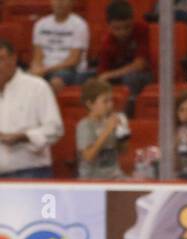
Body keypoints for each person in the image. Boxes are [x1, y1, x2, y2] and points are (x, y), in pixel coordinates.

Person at [0, 39, 64, 179]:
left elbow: (55, 128)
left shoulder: (37, 87)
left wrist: (24, 136)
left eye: (1, 60)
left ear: (13, 59)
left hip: (30, 172)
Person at [94, 1, 153, 100]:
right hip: (117, 76)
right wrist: (104, 77)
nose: (123, 32)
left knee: (131, 78)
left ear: (132, 21)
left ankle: (131, 105)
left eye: (127, 27)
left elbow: (139, 65)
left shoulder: (142, 30)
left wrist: (110, 75)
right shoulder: (107, 42)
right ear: (109, 27)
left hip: (143, 75)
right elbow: (102, 74)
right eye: (117, 28)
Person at [31, 0, 92, 91]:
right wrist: (36, 69)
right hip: (44, 69)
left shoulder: (79, 25)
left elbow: (73, 60)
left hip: (69, 70)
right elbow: (37, 57)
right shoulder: (40, 24)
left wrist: (46, 69)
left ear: (72, 3)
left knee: (56, 82)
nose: (59, 3)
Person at [75, 78, 130, 178]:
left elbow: (123, 150)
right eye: (105, 101)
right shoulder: (84, 125)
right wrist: (107, 131)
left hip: (115, 176)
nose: (110, 104)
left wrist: (123, 132)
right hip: (92, 180)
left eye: (111, 100)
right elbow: (88, 156)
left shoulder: (111, 121)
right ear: (90, 104)